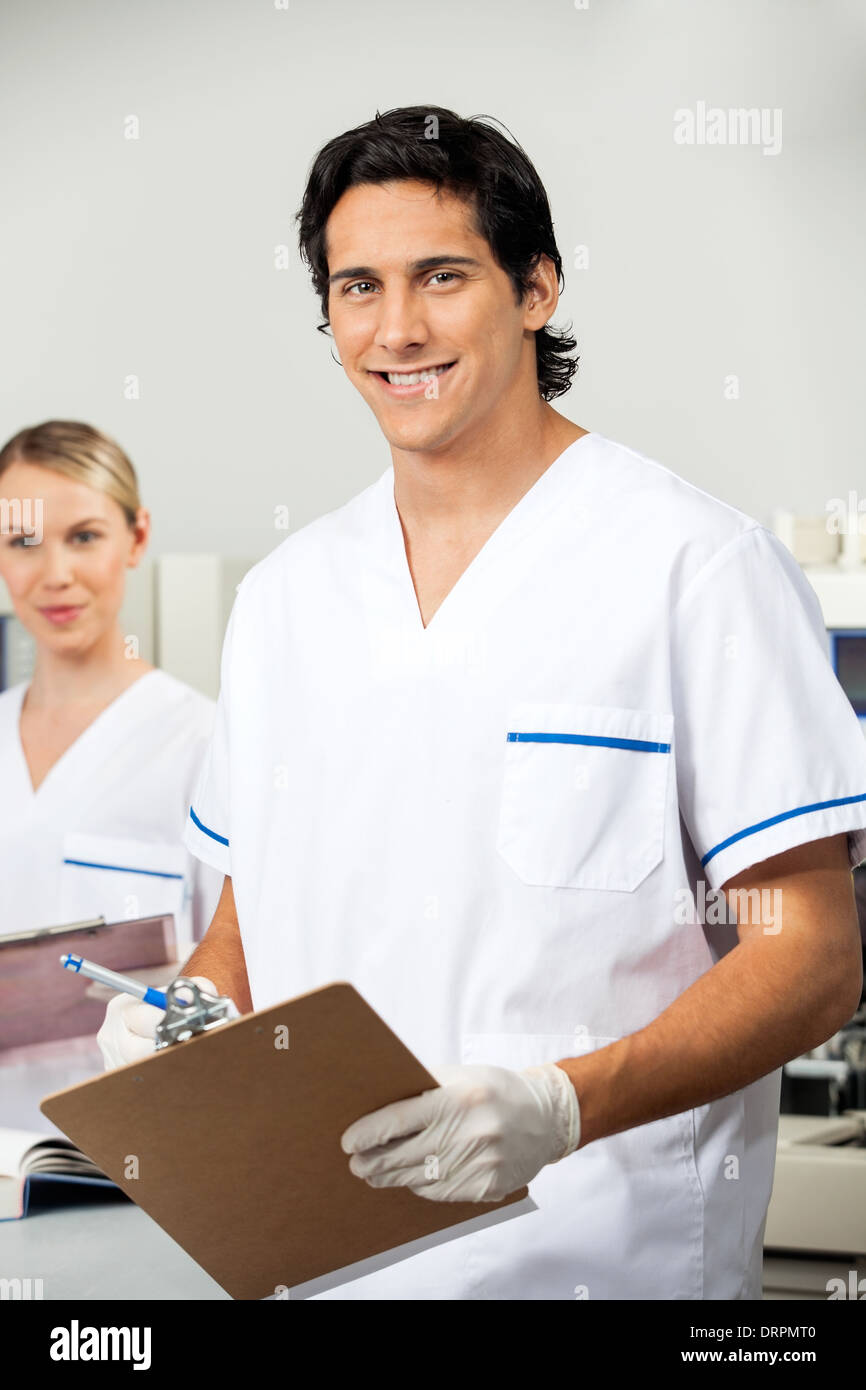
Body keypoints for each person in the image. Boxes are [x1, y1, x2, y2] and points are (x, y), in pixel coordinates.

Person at [100, 106, 866, 1300]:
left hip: (601, 1268)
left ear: (536, 289)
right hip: (323, 1270)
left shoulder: (691, 569)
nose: (395, 328)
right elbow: (246, 929)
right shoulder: (288, 600)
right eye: (357, 287)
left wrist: (566, 1104)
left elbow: (814, 955)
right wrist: (180, 1018)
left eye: (440, 276)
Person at [0, 421, 222, 1114]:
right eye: (24, 542)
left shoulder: (204, 743)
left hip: (134, 1145)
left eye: (85, 536)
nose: (56, 573)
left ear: (138, 538)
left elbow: (236, 976)